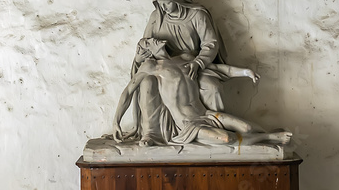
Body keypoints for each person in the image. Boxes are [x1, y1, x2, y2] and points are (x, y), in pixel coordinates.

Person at [114, 39, 292, 148]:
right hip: (188, 124)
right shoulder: (151, 67)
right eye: (147, 42)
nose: (152, 39)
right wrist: (116, 121)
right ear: (147, 52)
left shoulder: (184, 60)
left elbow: (221, 69)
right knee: (225, 138)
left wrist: (245, 72)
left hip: (206, 114)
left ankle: (269, 135)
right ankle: (270, 138)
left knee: (247, 128)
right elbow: (128, 92)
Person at [128, 0, 230, 145]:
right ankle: (152, 133)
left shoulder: (197, 15)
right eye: (159, 3)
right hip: (165, 67)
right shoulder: (156, 17)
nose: (163, 7)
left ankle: (214, 132)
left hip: (194, 66)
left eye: (166, 2)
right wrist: (145, 55)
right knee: (147, 82)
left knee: (213, 87)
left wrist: (199, 63)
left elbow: (210, 43)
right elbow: (145, 44)